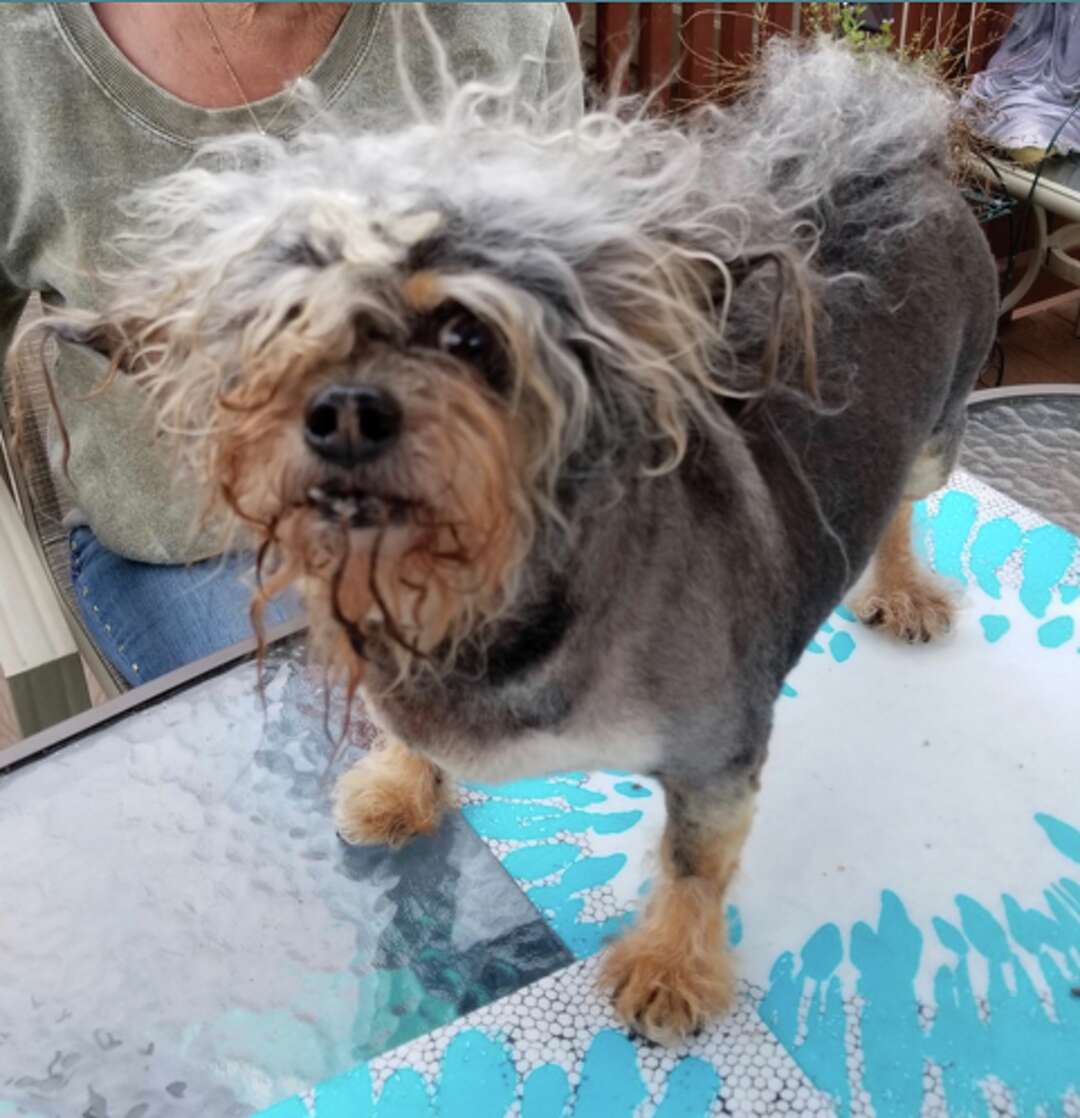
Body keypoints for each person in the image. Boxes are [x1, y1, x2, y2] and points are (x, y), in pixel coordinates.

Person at [0, 2, 583, 686]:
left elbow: (563, 326)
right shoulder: (22, 57)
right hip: (207, 554)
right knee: (322, 771)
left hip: (478, 512)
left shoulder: (505, 21)